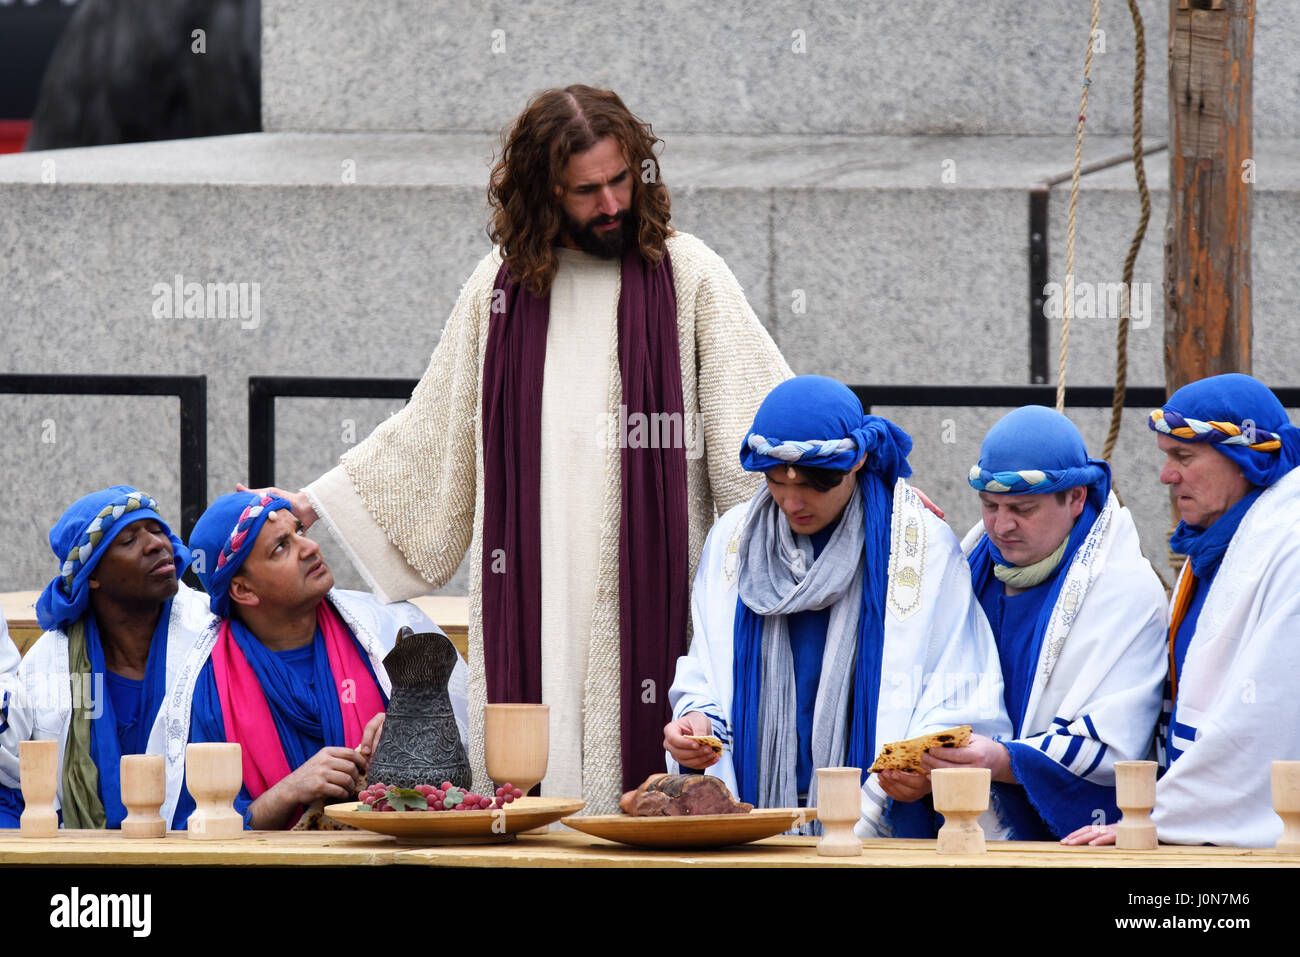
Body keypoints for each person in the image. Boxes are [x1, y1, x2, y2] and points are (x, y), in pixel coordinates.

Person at [251, 85, 791, 813]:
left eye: (621, 180)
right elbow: (431, 428)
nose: (610, 204)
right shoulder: (499, 292)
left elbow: (764, 416)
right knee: (536, 782)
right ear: (542, 193)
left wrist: (869, 481)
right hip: (529, 590)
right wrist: (314, 500)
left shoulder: (686, 275)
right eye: (586, 190)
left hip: (658, 597)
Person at [663, 376, 1010, 835]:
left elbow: (958, 683)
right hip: (755, 821)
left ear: (859, 460)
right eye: (775, 481)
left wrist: (925, 765)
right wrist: (695, 722)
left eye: (814, 483)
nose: (792, 500)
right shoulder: (732, 540)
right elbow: (706, 668)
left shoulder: (922, 545)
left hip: (881, 823)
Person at [900, 406, 1166, 839]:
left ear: (1076, 498)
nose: (1002, 526)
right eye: (990, 506)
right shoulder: (963, 568)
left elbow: (1120, 747)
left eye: (1023, 508)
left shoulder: (1127, 592)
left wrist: (1004, 761)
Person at [1064, 373, 1300, 847]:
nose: (1166, 476)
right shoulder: (1215, 547)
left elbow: (1265, 717)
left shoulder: (1290, 548)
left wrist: (1163, 820)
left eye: (1183, 457)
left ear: (1246, 457)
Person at [166, 491, 467, 830]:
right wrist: (288, 792)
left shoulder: (384, 634)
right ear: (243, 590)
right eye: (281, 547)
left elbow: (458, 783)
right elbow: (200, 827)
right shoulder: (207, 689)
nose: (309, 548)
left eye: (300, 532)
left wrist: (410, 733)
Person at [0, 486, 212, 829]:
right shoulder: (48, 667)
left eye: (158, 530)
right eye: (128, 541)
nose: (157, 544)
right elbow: (18, 788)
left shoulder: (211, 639)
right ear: (92, 576)